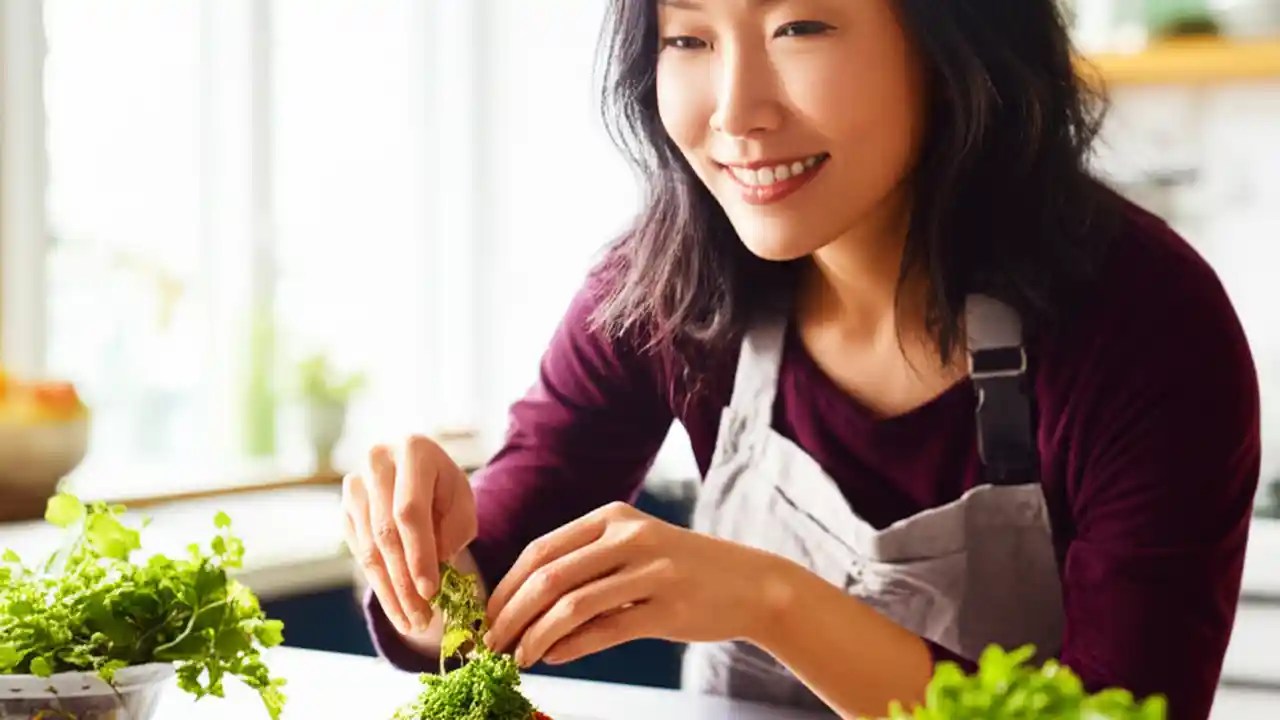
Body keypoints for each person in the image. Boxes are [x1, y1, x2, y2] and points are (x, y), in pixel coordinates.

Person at [339, 1, 1261, 718]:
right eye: (687, 39)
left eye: (801, 26)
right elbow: (474, 620)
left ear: (954, 42)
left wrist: (774, 602)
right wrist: (420, 556)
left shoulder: (1146, 321)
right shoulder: (659, 287)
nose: (737, 113)